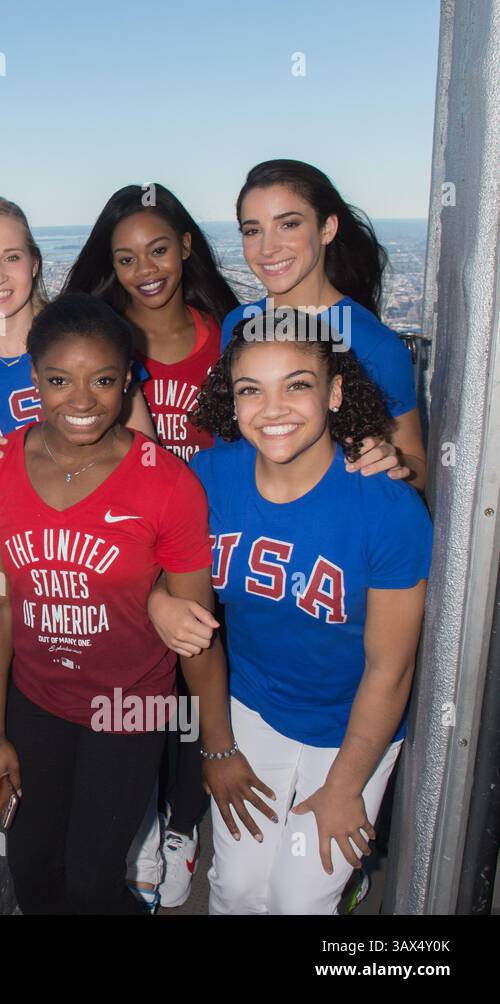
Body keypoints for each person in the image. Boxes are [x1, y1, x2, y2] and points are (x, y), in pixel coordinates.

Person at [0, 293, 225, 913]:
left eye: (103, 380)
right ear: (35, 379)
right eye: (59, 380)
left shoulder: (167, 484)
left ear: (129, 380)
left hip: (129, 711)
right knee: (32, 872)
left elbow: (195, 633)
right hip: (37, 705)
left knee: (91, 882)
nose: (80, 401)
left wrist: (218, 749)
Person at [180, 309, 431, 914]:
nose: (273, 409)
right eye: (250, 390)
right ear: (231, 399)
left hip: (352, 726)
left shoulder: (388, 508)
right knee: (237, 886)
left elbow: (389, 669)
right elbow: (148, 575)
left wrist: (346, 785)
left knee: (299, 894)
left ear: (335, 391)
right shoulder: (207, 479)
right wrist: (216, 748)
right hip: (254, 705)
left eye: (297, 384)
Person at [62, 183, 240, 908]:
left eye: (159, 249)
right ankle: (150, 818)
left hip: (222, 541)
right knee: (146, 687)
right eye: (126, 256)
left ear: (187, 247)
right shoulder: (106, 343)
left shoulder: (231, 334)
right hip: (139, 548)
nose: (145, 269)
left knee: (206, 675)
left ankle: (184, 820)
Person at [0, 196, 156, 516]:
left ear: (34, 264)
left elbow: (147, 456)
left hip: (107, 535)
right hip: (19, 552)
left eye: (12, 257)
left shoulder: (90, 334)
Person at [221, 159, 426, 489]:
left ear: (327, 228)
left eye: (288, 225)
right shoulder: (237, 324)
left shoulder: (373, 343)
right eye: (253, 230)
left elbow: (418, 467)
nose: (268, 248)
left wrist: (390, 460)